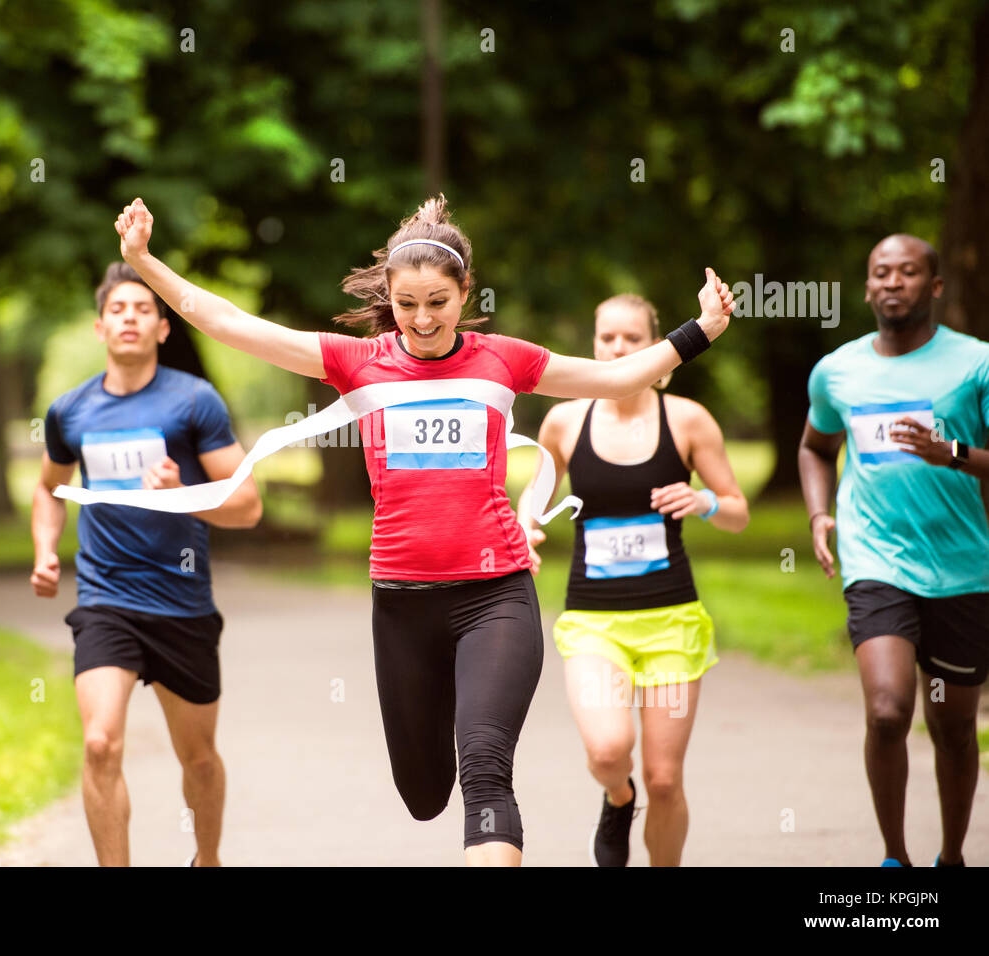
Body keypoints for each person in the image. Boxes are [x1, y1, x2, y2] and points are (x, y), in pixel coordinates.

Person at [113, 193, 734, 866]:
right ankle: (565, 790)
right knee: (422, 793)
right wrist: (144, 261)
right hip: (403, 603)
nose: (422, 319)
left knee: (486, 768)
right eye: (406, 305)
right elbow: (226, 320)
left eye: (437, 302)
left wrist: (697, 330)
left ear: (465, 292)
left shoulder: (504, 360)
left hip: (495, 595)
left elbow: (614, 379)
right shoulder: (358, 361)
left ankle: (594, 805)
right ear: (391, 299)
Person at [30, 261, 262, 867]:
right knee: (101, 743)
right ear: (100, 326)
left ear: (162, 328)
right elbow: (47, 488)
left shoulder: (194, 401)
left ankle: (206, 859)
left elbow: (247, 507)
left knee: (200, 759)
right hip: (107, 603)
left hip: (182, 604)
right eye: (117, 310)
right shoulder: (70, 412)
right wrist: (45, 552)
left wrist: (183, 491)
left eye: (142, 310)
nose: (129, 318)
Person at [517, 293, 748, 867]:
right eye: (607, 339)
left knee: (666, 779)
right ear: (594, 346)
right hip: (594, 624)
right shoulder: (566, 420)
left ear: (657, 349)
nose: (618, 349)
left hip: (671, 622)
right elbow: (535, 493)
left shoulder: (688, 420)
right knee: (606, 750)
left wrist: (704, 501)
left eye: (632, 339)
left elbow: (739, 510)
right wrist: (524, 522)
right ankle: (618, 798)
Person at [799, 234, 989, 868]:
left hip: (963, 566)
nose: (893, 282)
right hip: (876, 560)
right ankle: (895, 860)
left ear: (934, 287)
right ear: (867, 287)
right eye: (881, 272)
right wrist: (821, 514)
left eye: (909, 272)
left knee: (954, 726)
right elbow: (815, 447)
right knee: (886, 710)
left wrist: (954, 454)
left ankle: (952, 856)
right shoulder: (838, 370)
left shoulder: (975, 364)